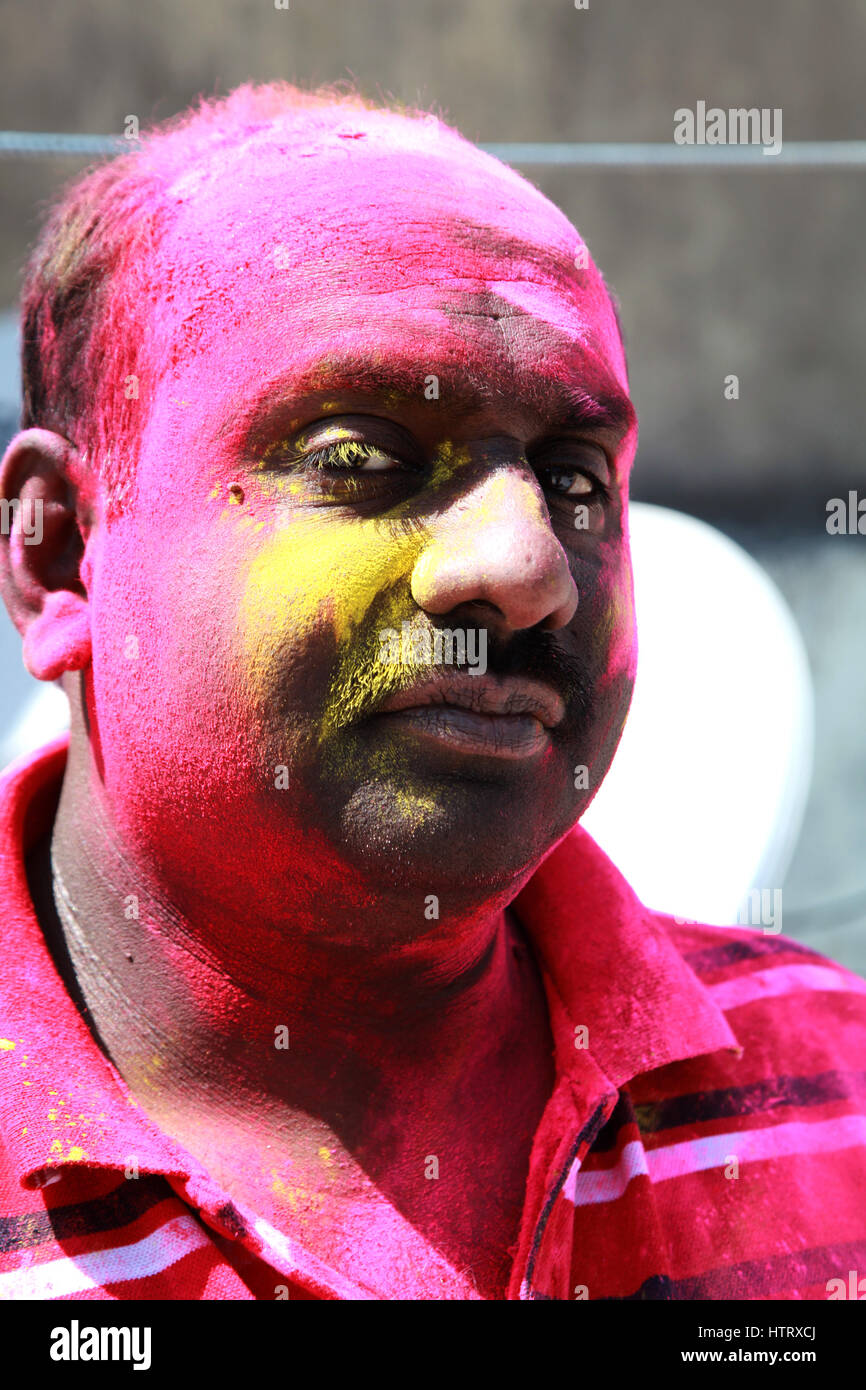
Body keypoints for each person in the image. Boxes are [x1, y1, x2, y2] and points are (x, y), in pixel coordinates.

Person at [0, 81, 864, 1302]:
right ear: (56, 548)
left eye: (572, 480)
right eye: (359, 459)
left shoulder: (835, 1101)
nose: (526, 570)